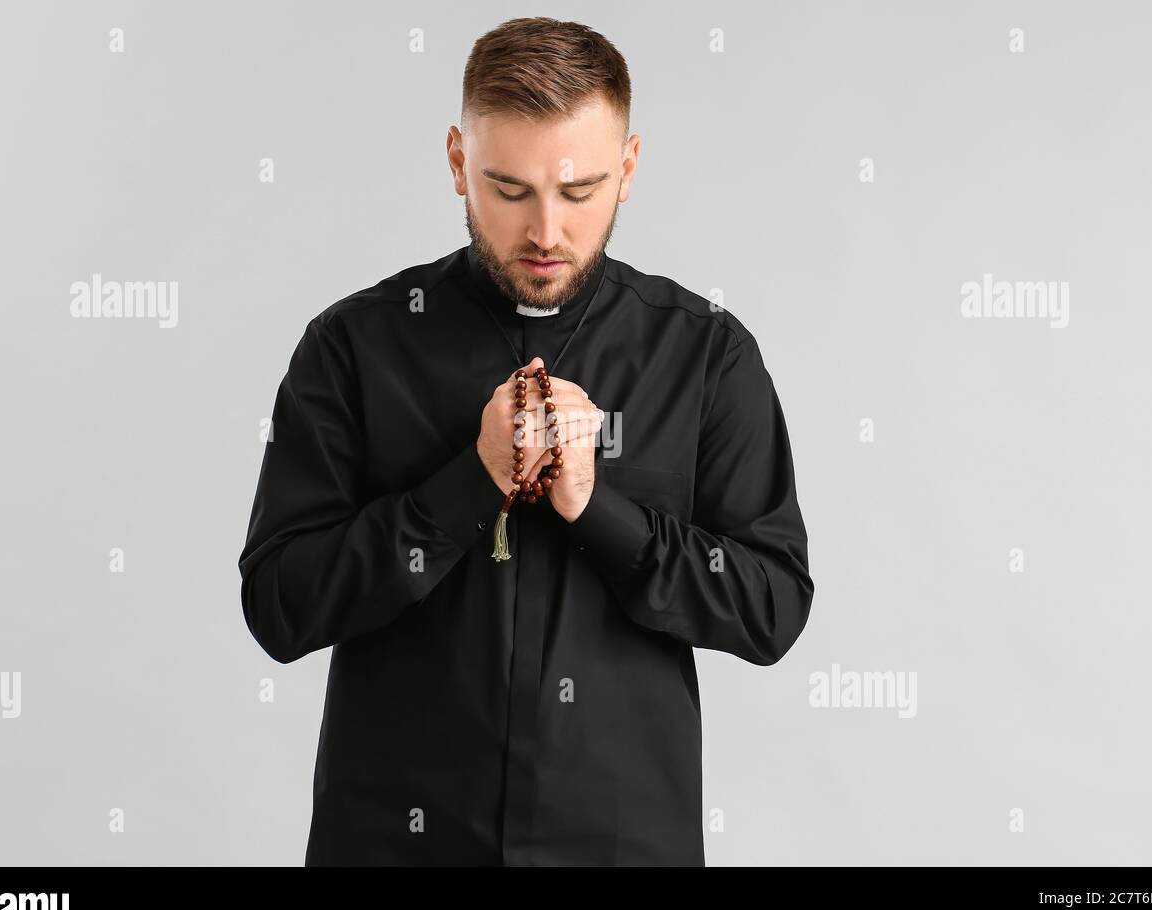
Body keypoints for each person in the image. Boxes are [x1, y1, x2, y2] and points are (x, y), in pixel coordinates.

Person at [237, 16, 815, 866]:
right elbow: (279, 607)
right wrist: (466, 485)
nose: (546, 231)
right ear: (456, 162)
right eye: (509, 190)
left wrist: (597, 510)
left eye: (579, 192)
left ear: (628, 169)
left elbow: (771, 607)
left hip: (620, 846)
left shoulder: (705, 355)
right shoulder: (354, 347)